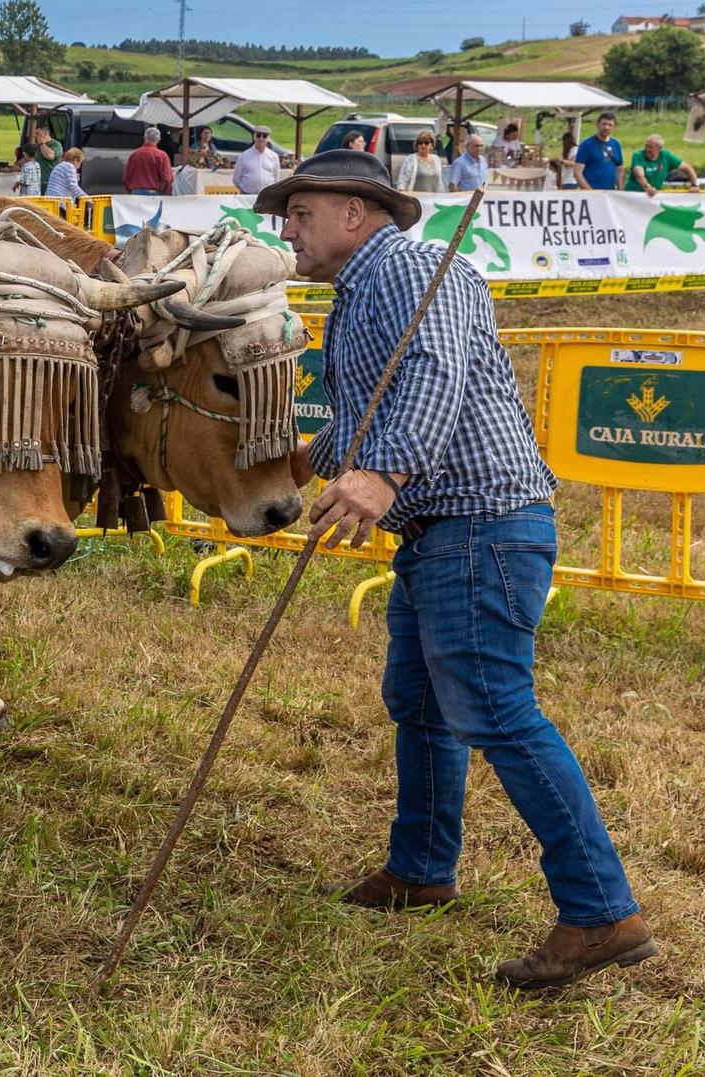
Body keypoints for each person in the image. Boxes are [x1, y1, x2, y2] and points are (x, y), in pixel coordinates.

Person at [261, 148, 656, 991]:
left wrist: (382, 474)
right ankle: (422, 869)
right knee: (422, 701)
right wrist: (311, 457)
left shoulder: (409, 267)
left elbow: (434, 376)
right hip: (447, 530)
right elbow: (382, 406)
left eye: (299, 212)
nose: (285, 229)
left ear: (354, 214)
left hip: (479, 524)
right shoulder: (366, 286)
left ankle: (600, 909)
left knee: (497, 711)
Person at [628, 134, 695, 195]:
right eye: (646, 146)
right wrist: (648, 187)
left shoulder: (666, 155)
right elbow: (639, 175)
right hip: (635, 193)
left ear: (659, 148)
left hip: (654, 194)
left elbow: (687, 168)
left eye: (650, 147)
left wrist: (694, 185)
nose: (647, 149)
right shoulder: (638, 155)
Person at [573, 113, 623, 190]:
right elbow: (577, 173)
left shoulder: (615, 144)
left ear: (614, 128)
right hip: (592, 193)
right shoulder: (586, 144)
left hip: (610, 193)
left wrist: (620, 189)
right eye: (604, 124)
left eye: (610, 125)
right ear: (597, 125)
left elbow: (620, 169)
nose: (606, 127)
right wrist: (591, 192)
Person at [122, 127, 175, 195]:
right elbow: (167, 178)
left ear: (144, 138)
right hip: (155, 192)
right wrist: (165, 191)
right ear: (159, 139)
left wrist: (130, 190)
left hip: (136, 192)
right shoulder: (162, 156)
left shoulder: (134, 155)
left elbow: (126, 177)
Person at [231, 126, 282, 194]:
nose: (261, 138)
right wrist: (243, 190)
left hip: (267, 196)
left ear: (268, 138)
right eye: (258, 135)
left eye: (264, 136)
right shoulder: (243, 156)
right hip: (247, 195)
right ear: (254, 137)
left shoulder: (274, 156)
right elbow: (236, 179)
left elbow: (276, 178)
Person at [394, 129, 444, 194]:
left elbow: (440, 184)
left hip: (432, 200)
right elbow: (402, 182)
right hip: (415, 199)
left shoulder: (436, 159)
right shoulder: (410, 159)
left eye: (426, 143)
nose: (423, 145)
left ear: (432, 145)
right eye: (420, 143)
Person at [31, 121, 62, 190]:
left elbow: (50, 156)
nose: (35, 136)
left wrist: (41, 143)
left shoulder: (56, 144)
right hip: (37, 182)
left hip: (49, 182)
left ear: (45, 134)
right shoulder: (38, 146)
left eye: (37, 133)